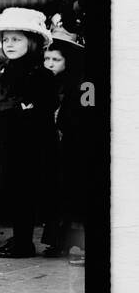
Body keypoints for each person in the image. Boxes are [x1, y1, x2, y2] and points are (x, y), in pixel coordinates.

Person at [0, 9, 58, 258]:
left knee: (25, 191)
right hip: (5, 141)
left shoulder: (39, 74)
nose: (9, 44)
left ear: (31, 42)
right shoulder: (7, 70)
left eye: (17, 39)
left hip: (29, 144)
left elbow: (44, 106)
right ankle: (18, 239)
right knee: (11, 191)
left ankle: (24, 243)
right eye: (7, 39)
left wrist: (13, 108)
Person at [40, 25, 87, 259]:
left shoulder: (79, 84)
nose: (49, 63)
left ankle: (74, 242)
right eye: (47, 58)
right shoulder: (51, 84)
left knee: (73, 192)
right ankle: (57, 240)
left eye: (56, 59)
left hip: (74, 145)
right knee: (58, 192)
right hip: (59, 147)